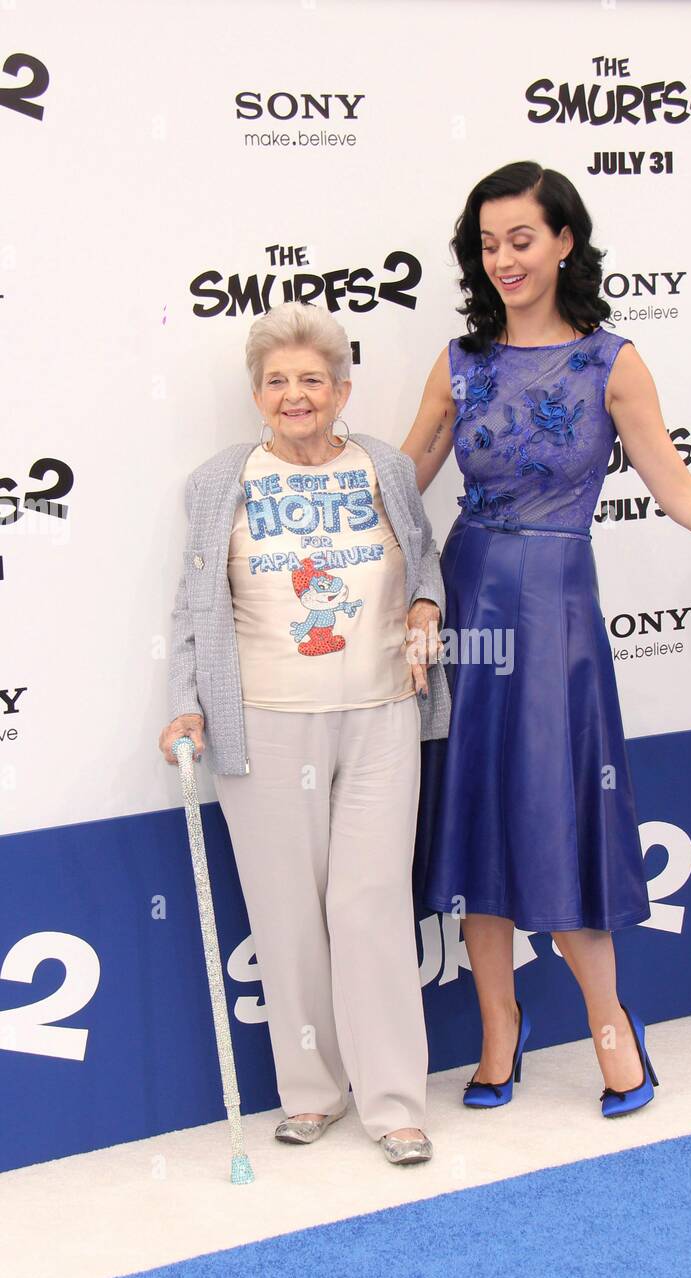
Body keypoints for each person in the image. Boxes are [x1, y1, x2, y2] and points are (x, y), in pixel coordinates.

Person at [401, 160, 691, 1118]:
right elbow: (397, 488)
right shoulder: (459, 362)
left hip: (553, 613)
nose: (503, 260)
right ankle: (499, 1029)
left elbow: (680, 490)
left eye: (521, 240)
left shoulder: (610, 362)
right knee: (476, 812)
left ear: (564, 241)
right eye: (488, 244)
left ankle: (611, 1025)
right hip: (466, 601)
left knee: (553, 813)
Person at [158, 302, 449, 1163]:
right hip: (264, 728)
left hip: (381, 716)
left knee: (370, 908)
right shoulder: (220, 482)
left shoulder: (386, 468)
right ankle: (312, 1094)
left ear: (341, 388)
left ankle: (395, 1103)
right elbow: (192, 607)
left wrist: (428, 603)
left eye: (311, 380)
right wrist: (186, 702)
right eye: (277, 381)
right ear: (256, 394)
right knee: (286, 918)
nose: (295, 395)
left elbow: (424, 556)